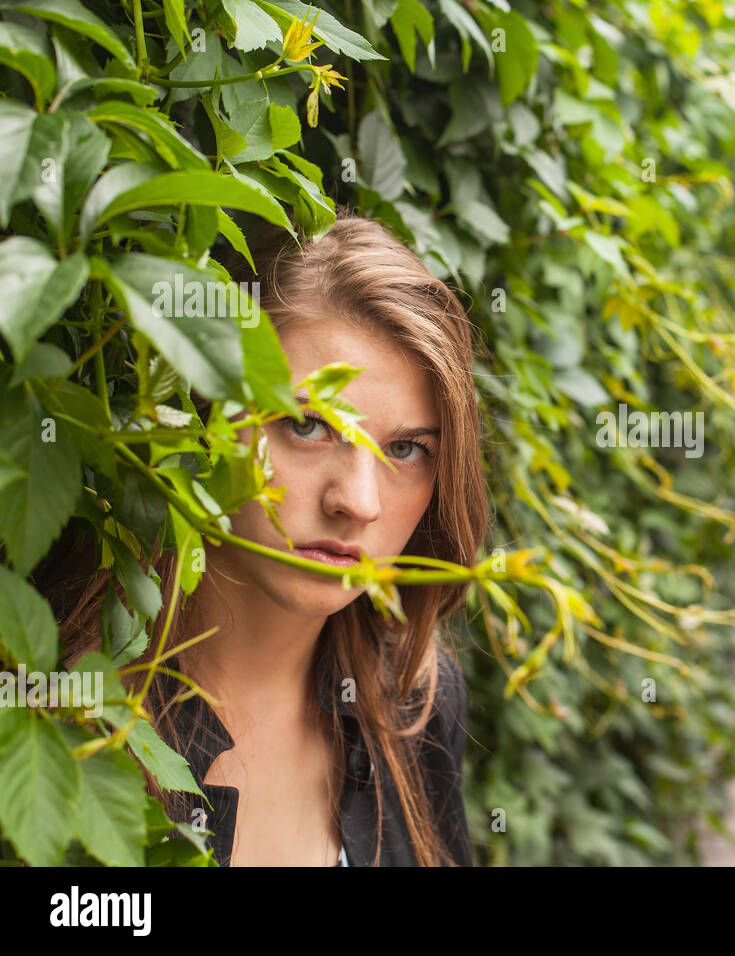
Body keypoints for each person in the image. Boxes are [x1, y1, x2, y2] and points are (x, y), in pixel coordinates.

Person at [36, 210, 490, 866]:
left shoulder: (415, 704)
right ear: (205, 417)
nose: (357, 502)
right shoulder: (56, 703)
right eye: (307, 426)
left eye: (407, 448)